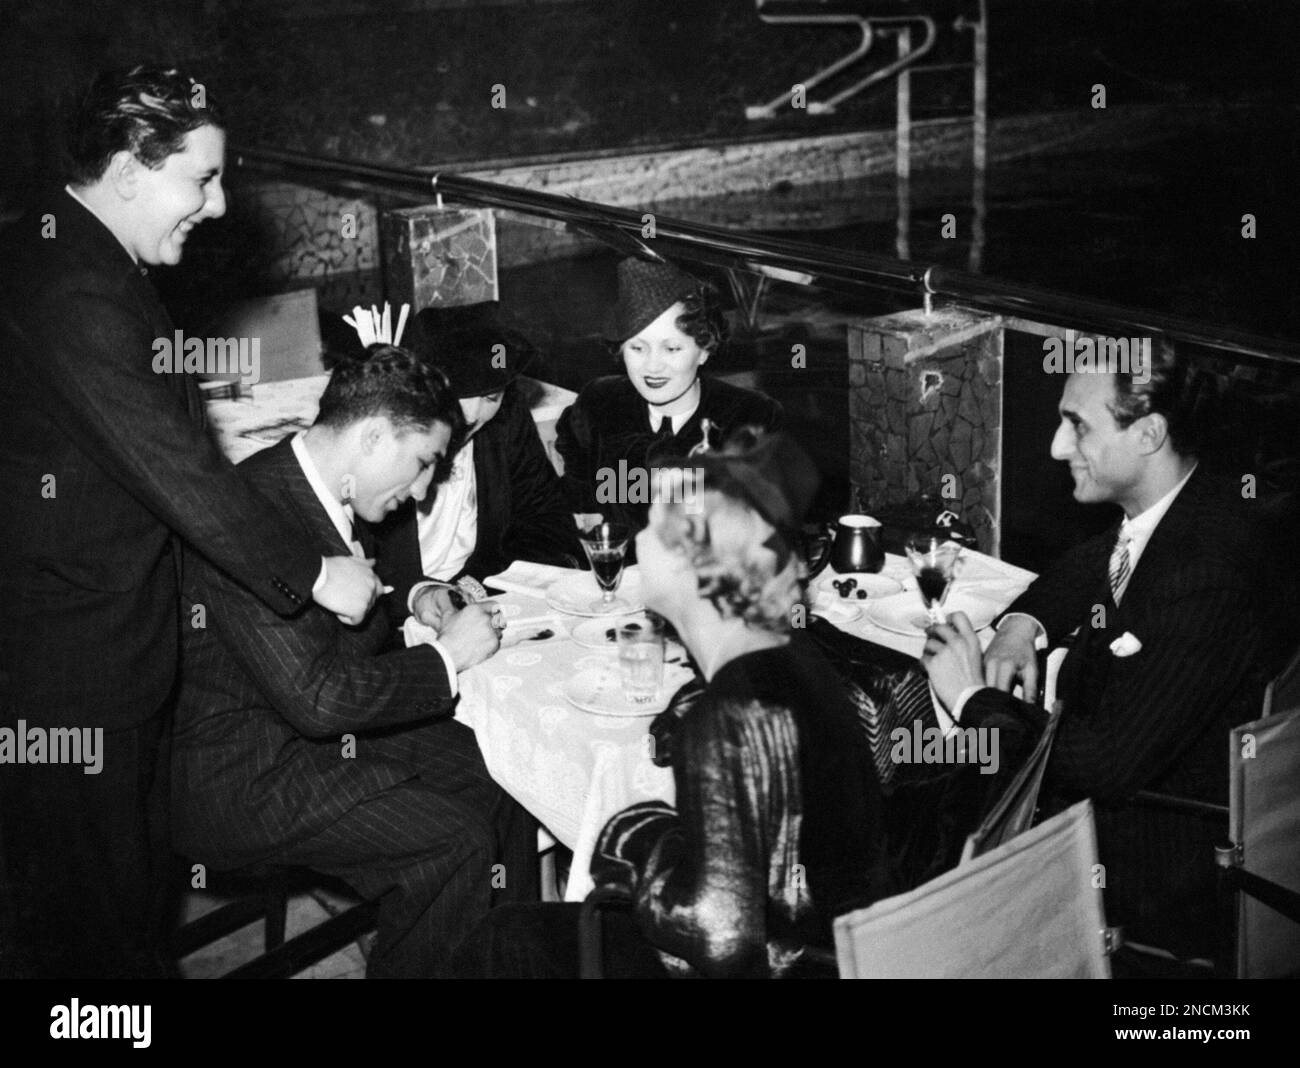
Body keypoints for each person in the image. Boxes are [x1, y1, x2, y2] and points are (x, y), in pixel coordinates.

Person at [0, 65, 379, 978]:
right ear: (131, 169)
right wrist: (320, 573)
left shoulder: (56, 253)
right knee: (104, 929)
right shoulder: (81, 294)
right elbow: (181, 474)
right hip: (79, 674)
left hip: (67, 654)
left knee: (96, 912)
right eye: (201, 180)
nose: (216, 206)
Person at [453, 433, 892, 978]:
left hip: (775, 964)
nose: (639, 539)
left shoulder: (729, 718)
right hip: (826, 945)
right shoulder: (789, 652)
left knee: (507, 938)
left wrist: (634, 834)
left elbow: (719, 931)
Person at [171, 344, 538, 978]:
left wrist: (411, 610)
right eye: (424, 463)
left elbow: (335, 645)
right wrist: (448, 658)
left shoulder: (330, 492)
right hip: (244, 768)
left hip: (309, 729)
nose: (425, 492)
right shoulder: (255, 510)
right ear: (372, 437)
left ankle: (505, 964)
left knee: (507, 771)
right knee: (452, 846)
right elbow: (320, 700)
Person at [921, 339, 1275, 957]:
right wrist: (1021, 622)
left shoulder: (1207, 576)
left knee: (926, 833)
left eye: (1077, 425)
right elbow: (1101, 560)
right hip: (1134, 810)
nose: (1059, 448)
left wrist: (972, 697)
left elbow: (1105, 764)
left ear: (1147, 433)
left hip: (1154, 874)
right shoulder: (1193, 501)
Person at [555, 257, 783, 557]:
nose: (653, 366)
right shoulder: (599, 404)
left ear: (703, 350)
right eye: (637, 347)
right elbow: (577, 504)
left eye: (672, 348)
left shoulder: (750, 418)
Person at [373, 303, 582, 609]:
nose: (471, 414)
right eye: (459, 393)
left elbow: (548, 523)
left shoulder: (505, 420)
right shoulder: (384, 439)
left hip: (479, 598)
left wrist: (471, 587)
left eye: (490, 396)